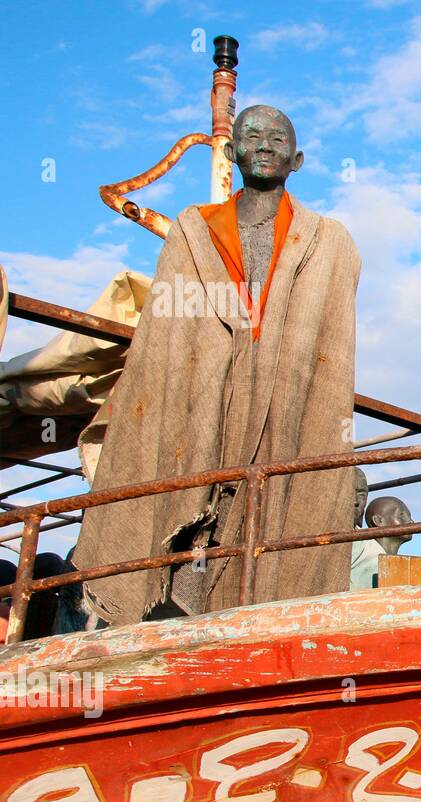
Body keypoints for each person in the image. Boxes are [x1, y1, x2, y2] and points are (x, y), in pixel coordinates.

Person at [74, 105, 360, 625]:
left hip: (284, 420)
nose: (266, 143)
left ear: (297, 159)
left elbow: (326, 349)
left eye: (278, 137)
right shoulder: (192, 231)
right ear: (231, 152)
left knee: (281, 525)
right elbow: (168, 339)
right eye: (251, 133)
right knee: (186, 543)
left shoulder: (329, 240)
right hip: (202, 414)